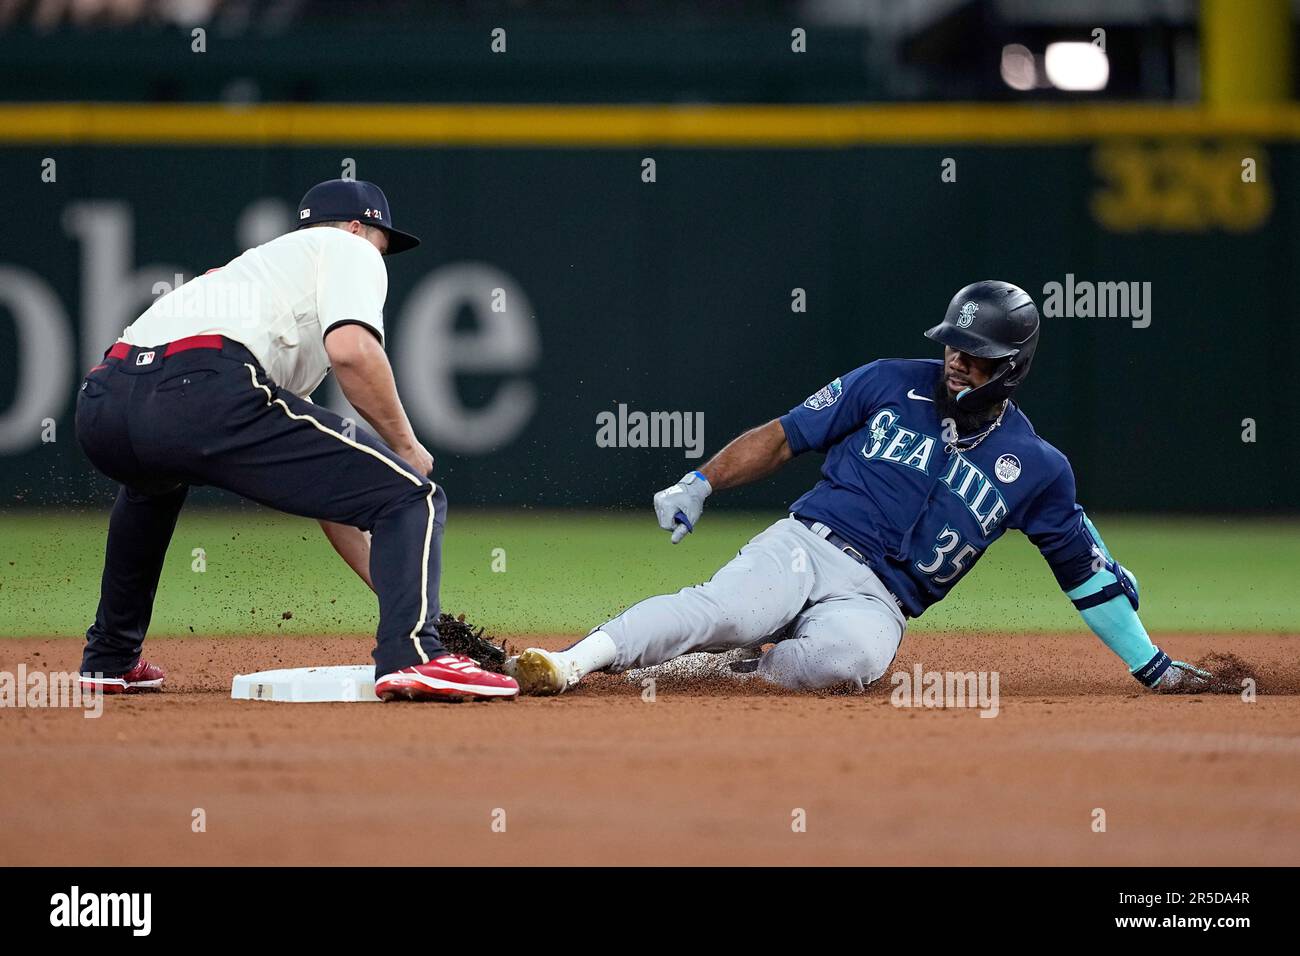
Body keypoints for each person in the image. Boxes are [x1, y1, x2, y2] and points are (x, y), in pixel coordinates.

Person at [508, 280, 1210, 696]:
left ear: (1013, 367)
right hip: (805, 546)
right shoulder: (886, 380)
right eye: (953, 347)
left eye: (976, 356)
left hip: (882, 601)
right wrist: (701, 478)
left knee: (847, 663)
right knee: (722, 608)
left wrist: (1151, 667)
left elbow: (1086, 574)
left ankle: (730, 670)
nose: (957, 362)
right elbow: (785, 435)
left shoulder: (1038, 468)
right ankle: (572, 662)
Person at [74, 179, 518, 702]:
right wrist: (404, 444)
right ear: (357, 226)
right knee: (412, 493)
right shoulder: (350, 249)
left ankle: (108, 660)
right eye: (382, 240)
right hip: (204, 387)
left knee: (151, 487)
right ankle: (414, 657)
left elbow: (333, 497)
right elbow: (353, 351)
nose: (382, 256)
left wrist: (403, 591)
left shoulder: (255, 275)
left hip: (103, 400)